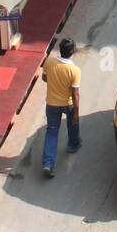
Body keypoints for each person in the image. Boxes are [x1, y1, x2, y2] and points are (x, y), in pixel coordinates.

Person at [41, 37, 81, 177]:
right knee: (73, 124)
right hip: (68, 104)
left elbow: (44, 78)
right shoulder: (74, 70)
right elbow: (75, 94)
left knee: (51, 132)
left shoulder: (49, 62)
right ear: (73, 51)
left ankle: (48, 164)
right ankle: (73, 145)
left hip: (51, 103)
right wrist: (76, 112)